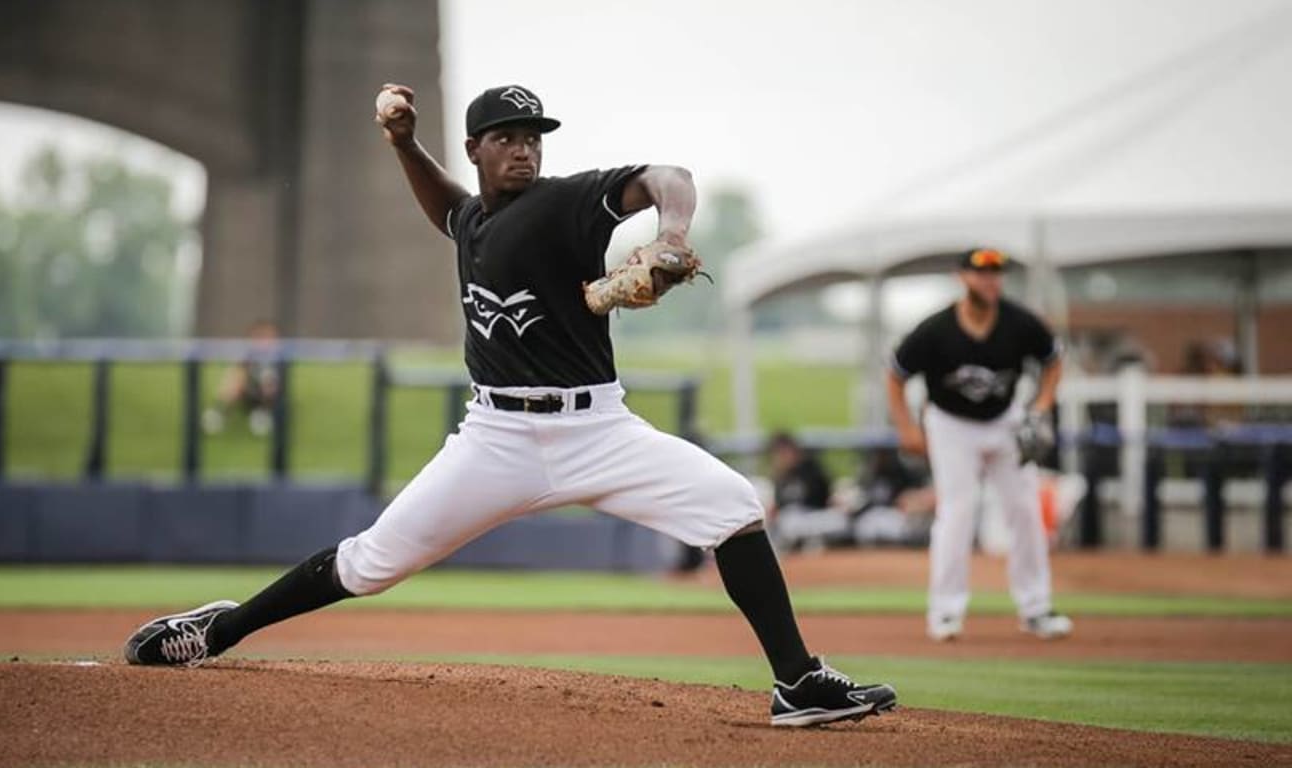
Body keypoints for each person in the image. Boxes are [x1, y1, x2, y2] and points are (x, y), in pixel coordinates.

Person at [122, 82, 896, 727]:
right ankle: (218, 630)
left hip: (598, 429)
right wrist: (401, 143)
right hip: (494, 438)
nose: (524, 147)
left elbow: (669, 175)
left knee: (731, 503)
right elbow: (446, 211)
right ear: (476, 151)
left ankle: (796, 681)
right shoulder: (473, 221)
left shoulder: (565, 203)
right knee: (369, 564)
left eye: (533, 135)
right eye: (506, 135)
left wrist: (672, 233)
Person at [886, 247, 1074, 642]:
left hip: (1004, 420)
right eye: (981, 273)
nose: (990, 280)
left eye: (996, 273)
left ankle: (1036, 608)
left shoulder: (1019, 322)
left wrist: (1041, 405)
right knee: (957, 512)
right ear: (962, 277)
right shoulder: (936, 329)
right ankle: (946, 613)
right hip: (950, 424)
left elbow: (1054, 359)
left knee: (1024, 509)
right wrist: (906, 426)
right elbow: (896, 374)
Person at [764, 432, 846, 553]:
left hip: (813, 517)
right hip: (790, 520)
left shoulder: (812, 469)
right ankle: (801, 542)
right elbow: (778, 508)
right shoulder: (781, 477)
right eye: (779, 454)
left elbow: (828, 498)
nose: (782, 457)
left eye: (785, 452)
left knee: (838, 520)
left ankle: (808, 540)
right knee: (788, 520)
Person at [202, 320, 280, 437]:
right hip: (250, 395)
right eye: (259, 337)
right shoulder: (247, 357)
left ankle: (263, 415)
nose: (263, 341)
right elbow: (237, 374)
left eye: (267, 337)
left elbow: (275, 385)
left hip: (271, 400)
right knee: (235, 376)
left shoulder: (279, 357)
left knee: (268, 382)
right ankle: (218, 413)